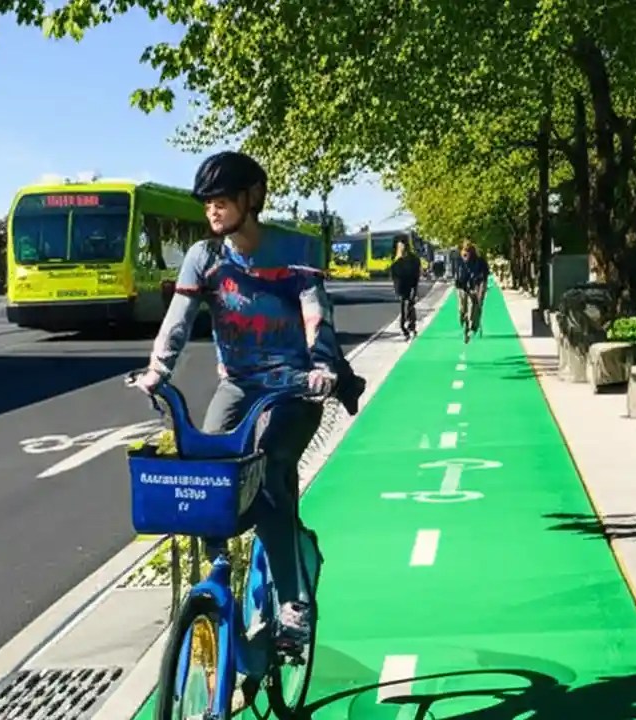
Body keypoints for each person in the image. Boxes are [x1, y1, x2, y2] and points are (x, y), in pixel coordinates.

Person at [129, 150, 356, 652]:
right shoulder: (204, 257)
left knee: (272, 472)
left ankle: (295, 602)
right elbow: (179, 319)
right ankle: (218, 574)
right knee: (209, 467)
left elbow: (316, 313)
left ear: (252, 197)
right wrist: (156, 372)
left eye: (222, 198)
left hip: (295, 386)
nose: (212, 208)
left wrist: (322, 368)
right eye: (207, 200)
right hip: (237, 384)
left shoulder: (296, 248)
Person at [454, 241, 489, 342]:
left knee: (473, 307)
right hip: (462, 287)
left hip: (475, 287)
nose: (465, 255)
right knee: (461, 309)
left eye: (467, 252)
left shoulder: (480, 262)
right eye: (464, 252)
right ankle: (465, 322)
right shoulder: (459, 261)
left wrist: (480, 290)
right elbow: (456, 276)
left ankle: (471, 327)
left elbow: (484, 276)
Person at [389, 234, 421, 340]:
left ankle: (411, 326)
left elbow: (416, 273)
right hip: (401, 287)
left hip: (411, 285)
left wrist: (415, 288)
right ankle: (404, 328)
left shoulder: (413, 259)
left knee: (410, 306)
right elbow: (394, 275)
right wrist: (396, 288)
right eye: (399, 246)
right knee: (404, 308)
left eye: (402, 245)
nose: (401, 248)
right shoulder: (396, 261)